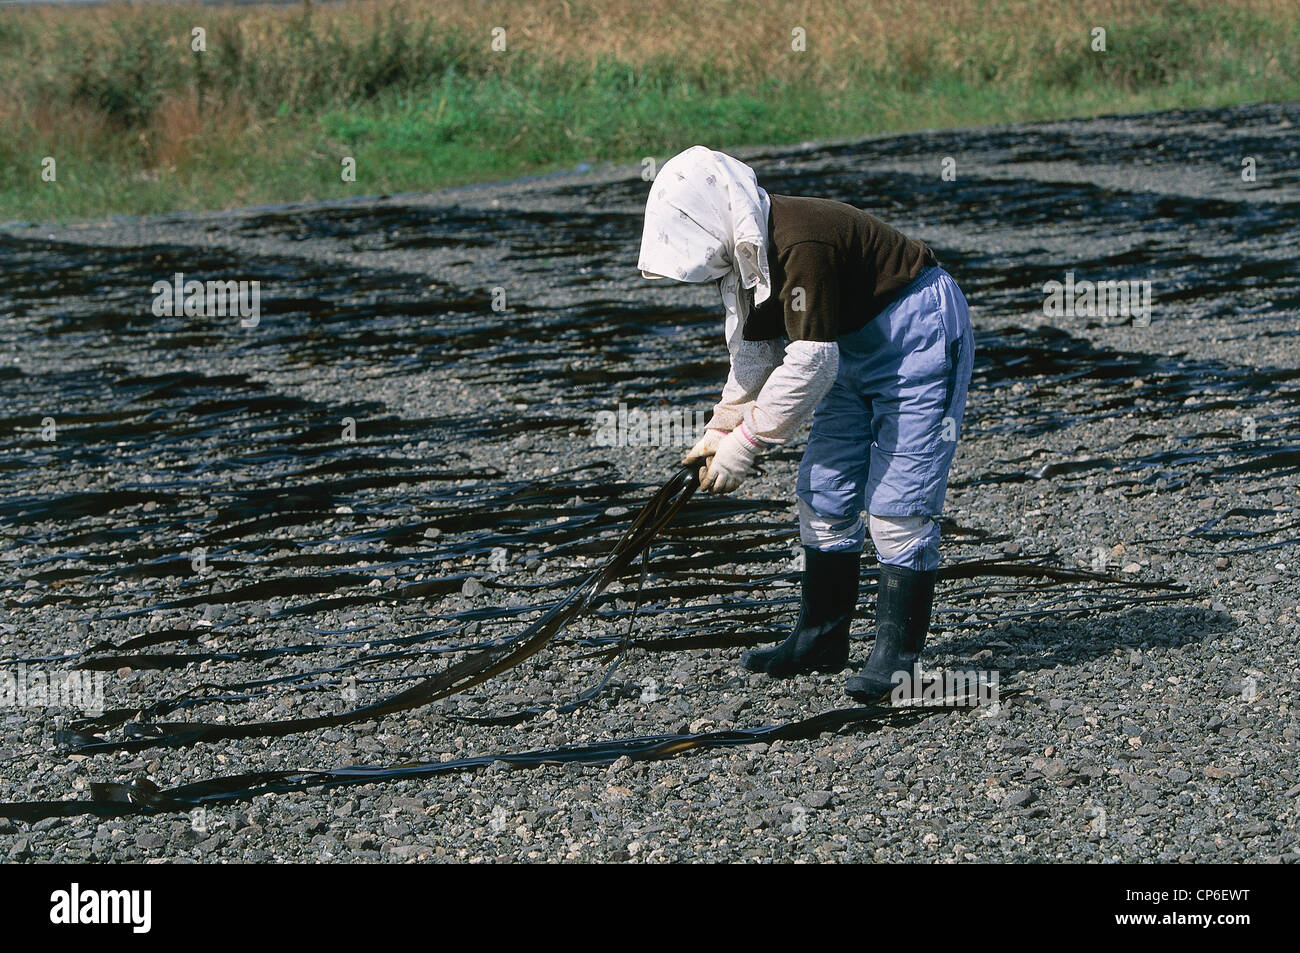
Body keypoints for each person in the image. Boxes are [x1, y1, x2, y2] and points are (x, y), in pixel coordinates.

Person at [637, 145, 974, 702]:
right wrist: (720, 428)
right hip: (849, 348)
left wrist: (746, 445)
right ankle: (821, 637)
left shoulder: (799, 243)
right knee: (824, 491)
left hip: (917, 337)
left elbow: (811, 361)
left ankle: (898, 658)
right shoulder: (748, 254)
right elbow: (756, 351)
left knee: (898, 503)